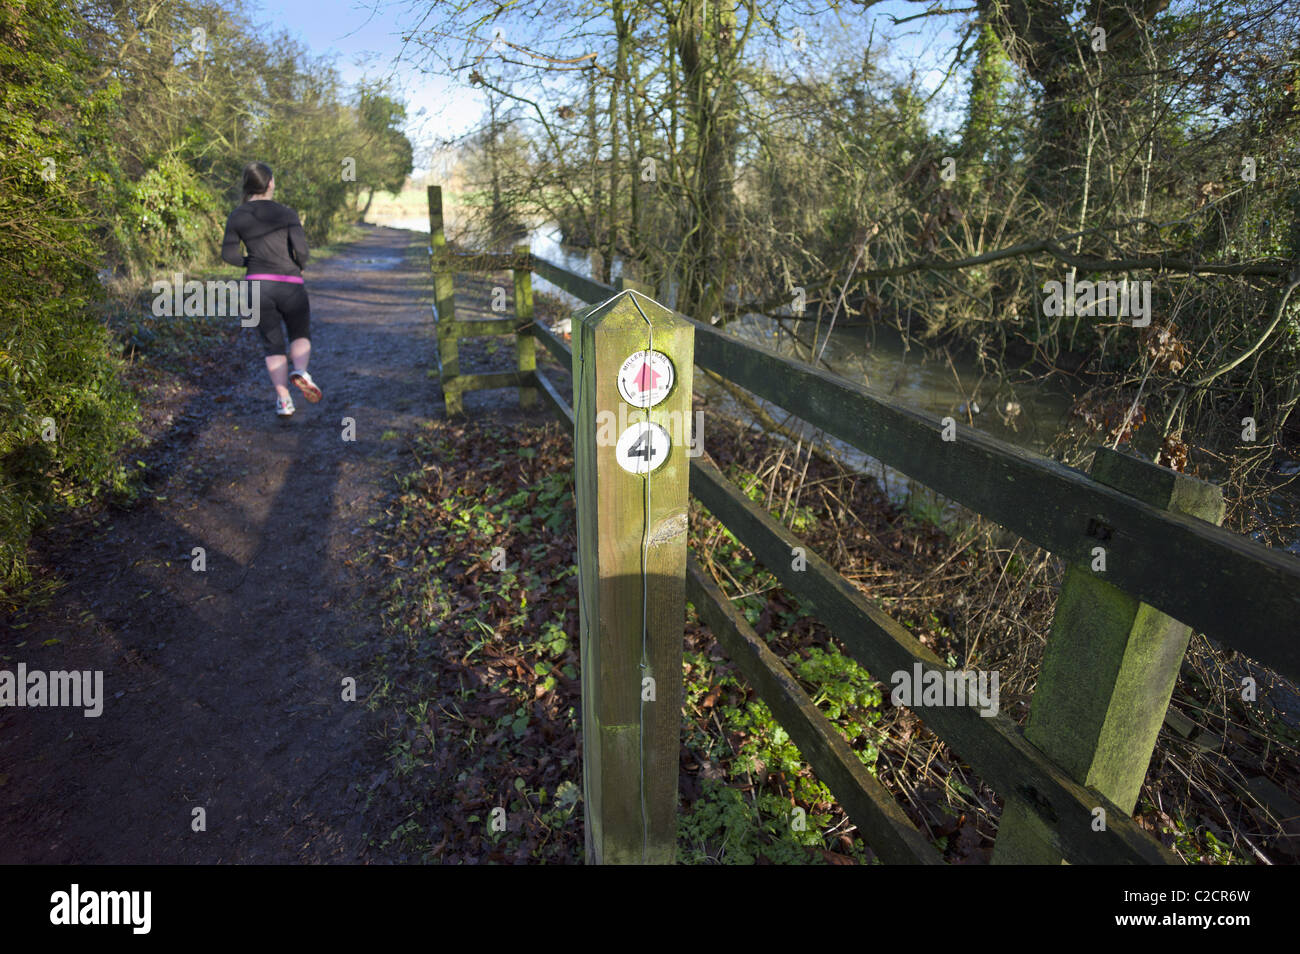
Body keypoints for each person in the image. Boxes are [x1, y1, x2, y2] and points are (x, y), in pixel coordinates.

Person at [221, 162, 323, 416]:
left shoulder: (237, 215)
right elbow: (302, 251)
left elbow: (229, 254)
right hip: (289, 282)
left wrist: (250, 263)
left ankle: (284, 400)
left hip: (257, 286)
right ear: (270, 184)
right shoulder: (287, 213)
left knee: (271, 343)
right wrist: (300, 265)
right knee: (299, 332)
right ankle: (300, 370)